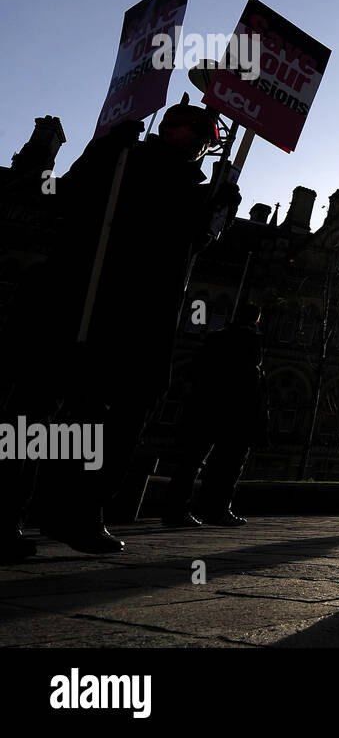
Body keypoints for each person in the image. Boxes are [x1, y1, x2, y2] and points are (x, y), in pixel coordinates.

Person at [0, 100, 237, 560]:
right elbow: (64, 195)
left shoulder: (197, 191)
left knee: (118, 419)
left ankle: (78, 512)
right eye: (183, 129)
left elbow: (193, 247)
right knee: (36, 411)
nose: (191, 140)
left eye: (200, 137)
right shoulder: (124, 159)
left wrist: (220, 213)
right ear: (165, 129)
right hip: (77, 301)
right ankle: (7, 514)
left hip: (140, 322)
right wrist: (102, 148)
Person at [162, 304, 267, 528]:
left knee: (192, 460)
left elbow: (195, 371)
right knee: (227, 465)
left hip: (205, 409)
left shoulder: (214, 339)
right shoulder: (251, 340)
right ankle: (217, 510)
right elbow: (250, 380)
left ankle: (175, 510)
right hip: (233, 414)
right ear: (255, 320)